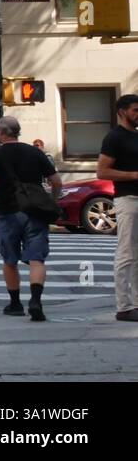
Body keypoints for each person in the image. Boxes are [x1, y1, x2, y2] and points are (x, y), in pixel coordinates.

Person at [0, 116, 62, 321]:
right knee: (37, 259)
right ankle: (36, 301)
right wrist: (53, 200)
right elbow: (56, 181)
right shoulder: (35, 152)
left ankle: (15, 303)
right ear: (17, 132)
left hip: (7, 211)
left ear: (1, 133)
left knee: (9, 260)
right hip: (35, 211)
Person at [98, 94, 138, 322]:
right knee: (126, 253)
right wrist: (134, 174)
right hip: (127, 199)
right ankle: (123, 306)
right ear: (122, 111)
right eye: (135, 110)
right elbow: (102, 171)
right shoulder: (114, 137)